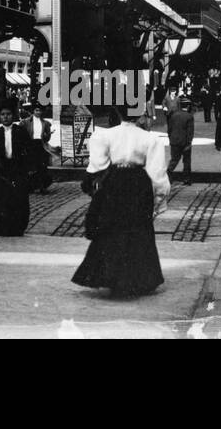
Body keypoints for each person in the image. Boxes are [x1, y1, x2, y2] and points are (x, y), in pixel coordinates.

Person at [71, 107, 168, 298]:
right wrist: (160, 198)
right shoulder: (150, 139)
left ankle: (110, 276)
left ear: (119, 114)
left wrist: (98, 186)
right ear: (140, 114)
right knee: (139, 228)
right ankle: (139, 278)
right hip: (139, 183)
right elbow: (157, 173)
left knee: (111, 227)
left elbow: (97, 164)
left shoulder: (106, 135)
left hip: (114, 183)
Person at [0, 102, 33, 236]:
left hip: (18, 168)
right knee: (2, 200)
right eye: (3, 114)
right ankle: (1, 228)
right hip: (2, 169)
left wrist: (28, 168)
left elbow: (28, 150)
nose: (5, 117)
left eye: (8, 114)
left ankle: (17, 228)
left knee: (19, 199)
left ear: (13, 115)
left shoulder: (20, 131)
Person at [22, 104, 53, 194]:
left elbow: (48, 136)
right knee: (31, 167)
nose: (38, 112)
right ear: (33, 111)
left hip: (40, 145)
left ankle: (42, 186)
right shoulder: (27, 121)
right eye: (36, 110)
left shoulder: (45, 123)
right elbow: (20, 131)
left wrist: (46, 136)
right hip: (30, 145)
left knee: (42, 166)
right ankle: (31, 186)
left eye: (40, 110)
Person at [166, 97, 195, 185]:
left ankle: (168, 174)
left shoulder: (173, 115)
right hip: (184, 142)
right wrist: (189, 143)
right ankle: (186, 179)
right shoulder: (189, 116)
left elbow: (169, 129)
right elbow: (190, 132)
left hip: (174, 141)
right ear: (188, 106)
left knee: (174, 160)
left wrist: (171, 138)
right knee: (186, 161)